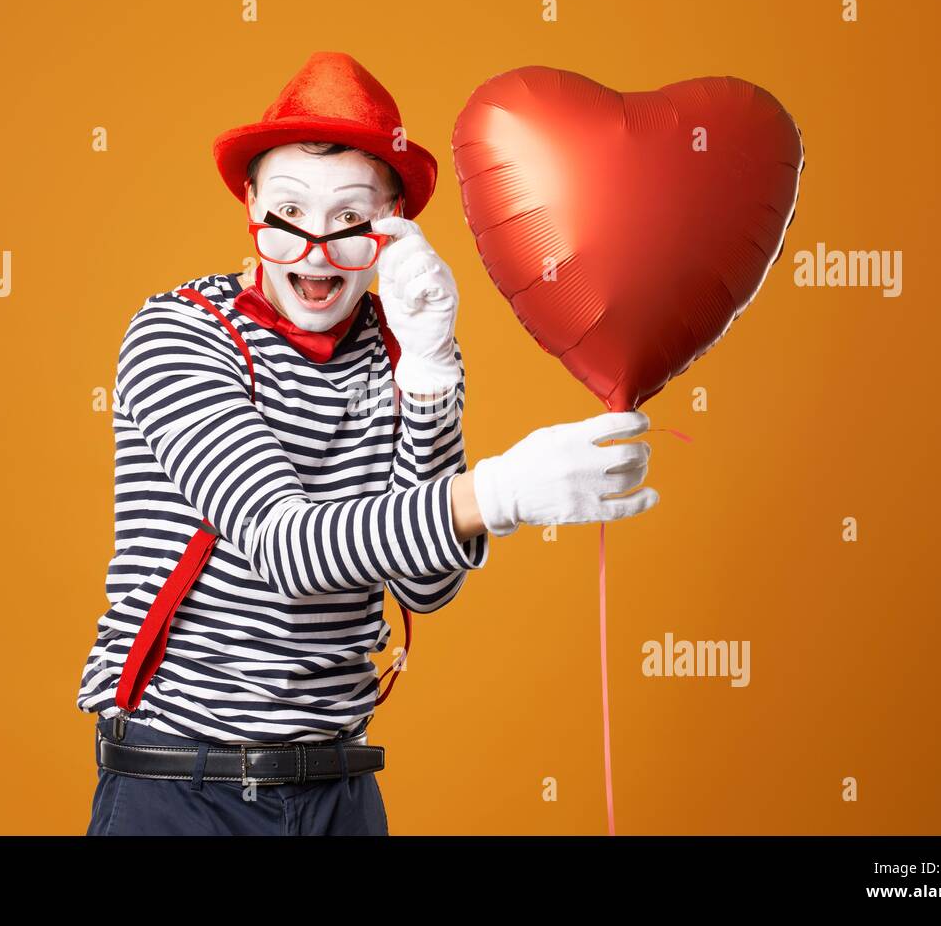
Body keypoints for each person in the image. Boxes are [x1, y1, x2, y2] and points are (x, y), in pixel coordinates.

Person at [77, 51, 658, 836]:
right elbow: (287, 546)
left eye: (350, 218)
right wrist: (500, 492)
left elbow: (427, 585)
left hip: (339, 793)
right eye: (290, 208)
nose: (317, 248)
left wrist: (429, 368)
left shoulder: (401, 346)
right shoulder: (178, 334)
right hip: (181, 791)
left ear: (393, 225)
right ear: (250, 203)